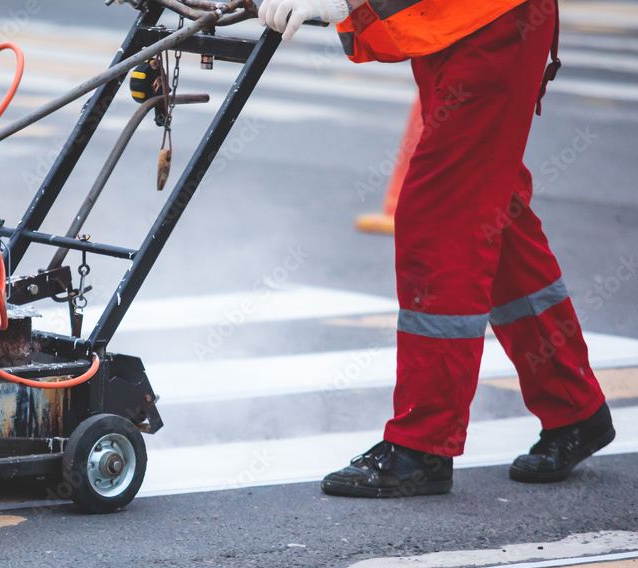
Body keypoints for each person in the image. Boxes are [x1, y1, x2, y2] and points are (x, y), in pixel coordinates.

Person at [257, 0, 615, 497]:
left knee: (443, 216)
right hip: (452, 25)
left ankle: (424, 445)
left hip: (493, 23)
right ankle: (574, 405)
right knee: (494, 213)